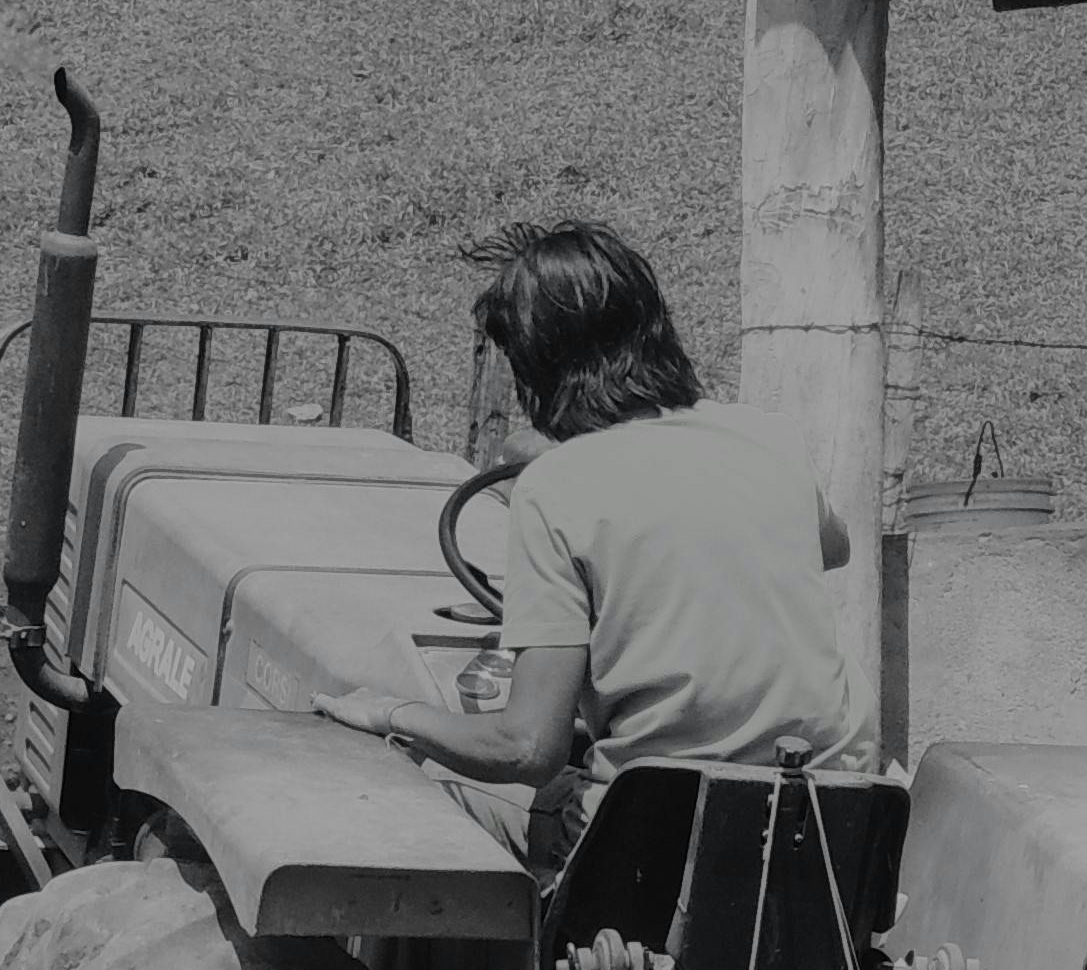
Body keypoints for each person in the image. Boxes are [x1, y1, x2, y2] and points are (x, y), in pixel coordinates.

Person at [315, 220, 868, 827]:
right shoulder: (768, 437)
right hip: (831, 825)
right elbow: (831, 547)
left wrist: (394, 712)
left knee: (422, 776)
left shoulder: (557, 490)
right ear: (655, 326)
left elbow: (526, 748)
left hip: (654, 843)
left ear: (535, 368)